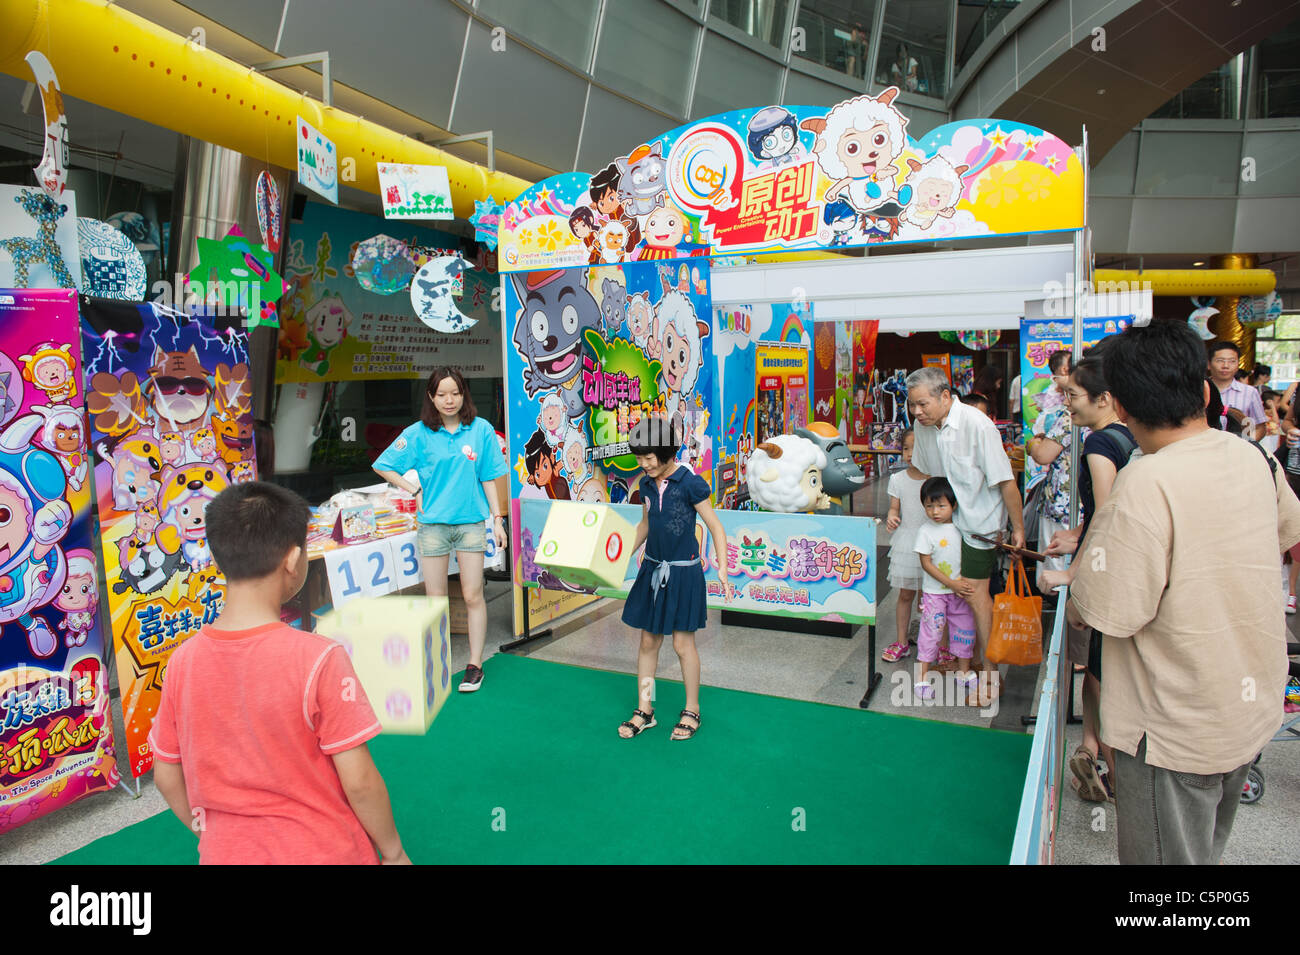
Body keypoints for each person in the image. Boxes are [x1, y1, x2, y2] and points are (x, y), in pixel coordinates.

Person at [1069, 321, 1300, 865]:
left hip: (1173, 724)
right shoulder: (1255, 457)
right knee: (1202, 852)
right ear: (1203, 391)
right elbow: (1286, 530)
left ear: (1119, 406)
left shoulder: (1145, 480)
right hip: (1245, 704)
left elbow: (1110, 610)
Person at [149, 482, 408, 864]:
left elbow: (166, 774)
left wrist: (214, 834)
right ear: (293, 560)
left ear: (218, 561)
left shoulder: (182, 661)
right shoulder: (319, 658)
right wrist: (394, 851)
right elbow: (360, 782)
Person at [373, 366, 507, 693]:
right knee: (435, 599)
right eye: (442, 394)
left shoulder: (481, 430)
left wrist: (497, 519)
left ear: (464, 394)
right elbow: (382, 464)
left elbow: (488, 476)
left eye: (455, 393)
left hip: (471, 524)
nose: (449, 400)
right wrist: (413, 489)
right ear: (431, 397)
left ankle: (475, 665)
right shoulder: (419, 434)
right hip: (432, 526)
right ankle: (438, 662)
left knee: (473, 594)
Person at [1040, 353, 1135, 802]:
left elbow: (1109, 516)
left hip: (1106, 573)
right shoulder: (1130, 436)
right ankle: (1094, 750)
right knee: (1099, 668)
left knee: (1101, 668)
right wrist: (1075, 534)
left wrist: (1071, 574)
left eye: (1073, 396)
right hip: (1124, 567)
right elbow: (1104, 509)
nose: (1068, 404)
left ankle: (1112, 771)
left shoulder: (1099, 445)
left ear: (1104, 398)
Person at [907, 366, 1025, 701]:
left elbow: (1005, 481)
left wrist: (1018, 528)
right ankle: (964, 659)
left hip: (977, 528)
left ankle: (990, 675)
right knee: (950, 596)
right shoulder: (923, 426)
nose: (917, 412)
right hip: (946, 527)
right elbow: (930, 475)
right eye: (912, 405)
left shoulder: (977, 425)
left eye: (923, 404)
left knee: (975, 597)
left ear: (946, 396)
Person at [617, 416, 730, 741]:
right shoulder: (646, 485)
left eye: (649, 458)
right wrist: (618, 552)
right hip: (652, 571)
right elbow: (645, 526)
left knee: (683, 645)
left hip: (683, 574)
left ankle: (691, 709)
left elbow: (715, 526)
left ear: (667, 453)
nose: (644, 464)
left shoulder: (690, 483)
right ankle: (645, 708)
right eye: (639, 458)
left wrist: (722, 566)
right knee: (648, 642)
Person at [912, 476, 979, 702]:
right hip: (936, 593)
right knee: (931, 633)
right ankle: (921, 678)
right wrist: (952, 584)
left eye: (941, 505)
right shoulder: (925, 531)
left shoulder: (962, 527)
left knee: (965, 629)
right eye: (929, 506)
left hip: (961, 592)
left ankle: (963, 671)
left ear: (954, 505)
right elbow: (926, 563)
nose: (935, 511)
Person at [1026, 350, 1073, 588]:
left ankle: (1060, 617)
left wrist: (1033, 443)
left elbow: (1042, 453)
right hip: (1076, 506)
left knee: (1056, 572)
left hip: (1063, 504)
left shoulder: (1069, 416)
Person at [882, 429, 929, 662]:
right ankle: (902, 641)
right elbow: (894, 508)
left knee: (932, 598)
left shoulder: (935, 478)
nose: (910, 454)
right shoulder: (897, 479)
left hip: (932, 544)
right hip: (907, 542)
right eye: (906, 449)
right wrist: (892, 517)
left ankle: (935, 644)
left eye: (915, 448)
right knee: (905, 595)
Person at [1208, 340, 1265, 440]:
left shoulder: (1250, 392)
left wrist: (1246, 445)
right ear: (1208, 364)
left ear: (1238, 365)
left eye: (1232, 361)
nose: (1226, 365)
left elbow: (1260, 427)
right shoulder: (1196, 391)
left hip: (1238, 450)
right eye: (1220, 360)